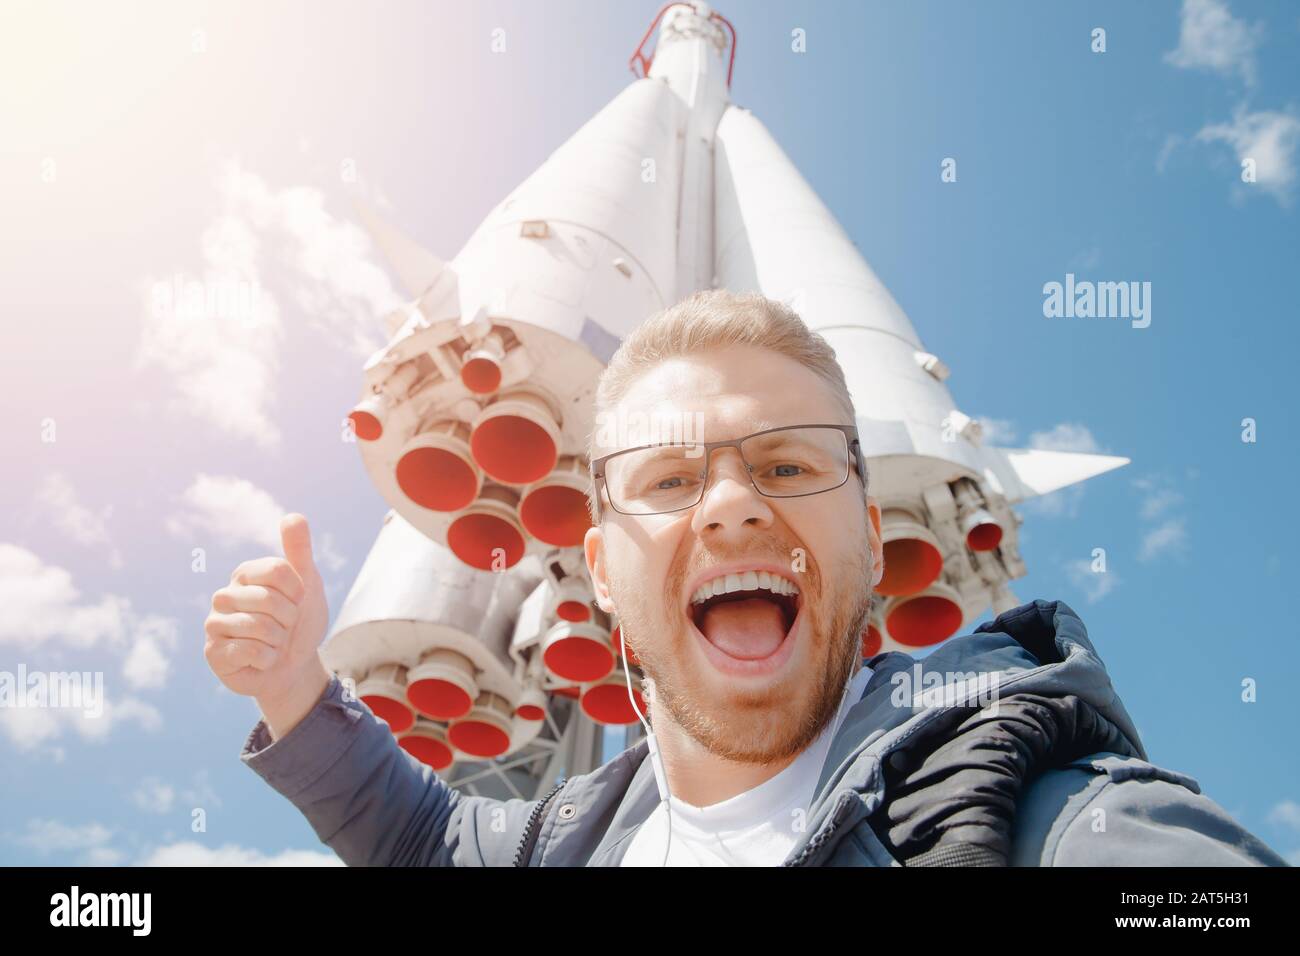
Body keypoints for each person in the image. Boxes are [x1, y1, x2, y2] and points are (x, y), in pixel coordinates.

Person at [205, 290, 1288, 866]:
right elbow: (418, 839)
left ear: (870, 537)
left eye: (784, 464)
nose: (732, 503)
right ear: (601, 567)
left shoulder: (1038, 817)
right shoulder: (567, 838)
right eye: (670, 478)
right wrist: (294, 683)